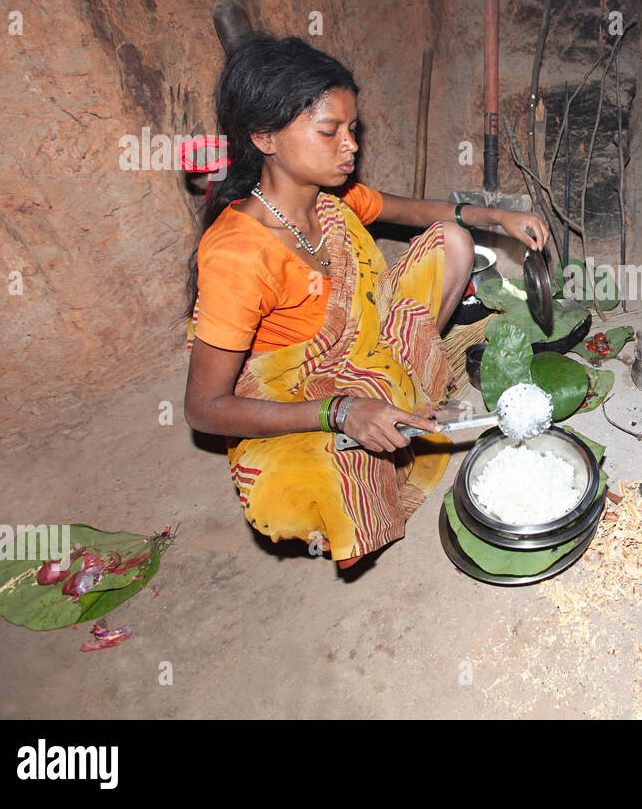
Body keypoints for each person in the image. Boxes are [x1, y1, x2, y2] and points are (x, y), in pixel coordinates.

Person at [182, 35, 548, 569]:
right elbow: (203, 408)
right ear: (264, 137)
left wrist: (496, 218)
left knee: (452, 240)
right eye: (329, 131)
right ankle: (378, 408)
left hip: (364, 348)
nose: (349, 145)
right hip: (297, 393)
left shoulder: (327, 199)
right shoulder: (239, 253)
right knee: (335, 485)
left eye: (352, 129)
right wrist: (342, 410)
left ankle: (401, 388)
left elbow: (412, 210)